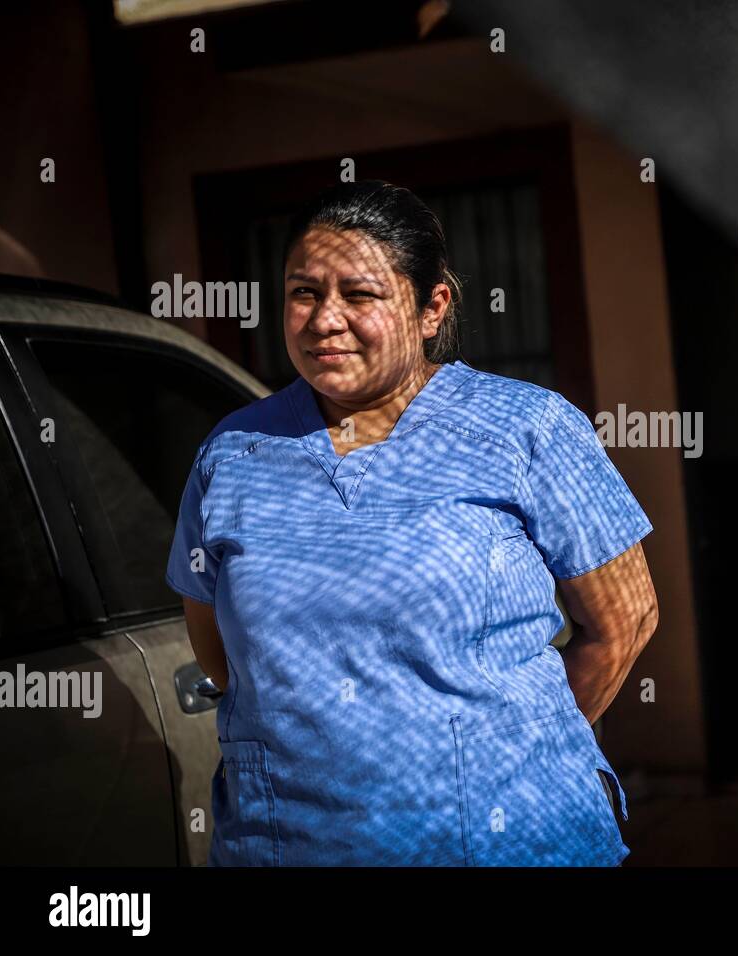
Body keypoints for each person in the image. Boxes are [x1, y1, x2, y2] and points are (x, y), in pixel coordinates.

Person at [166, 180, 658, 866]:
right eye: (303, 292)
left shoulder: (526, 428)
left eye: (359, 295)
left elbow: (623, 622)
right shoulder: (234, 454)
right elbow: (222, 651)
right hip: (294, 843)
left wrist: (512, 757)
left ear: (432, 307)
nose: (323, 319)